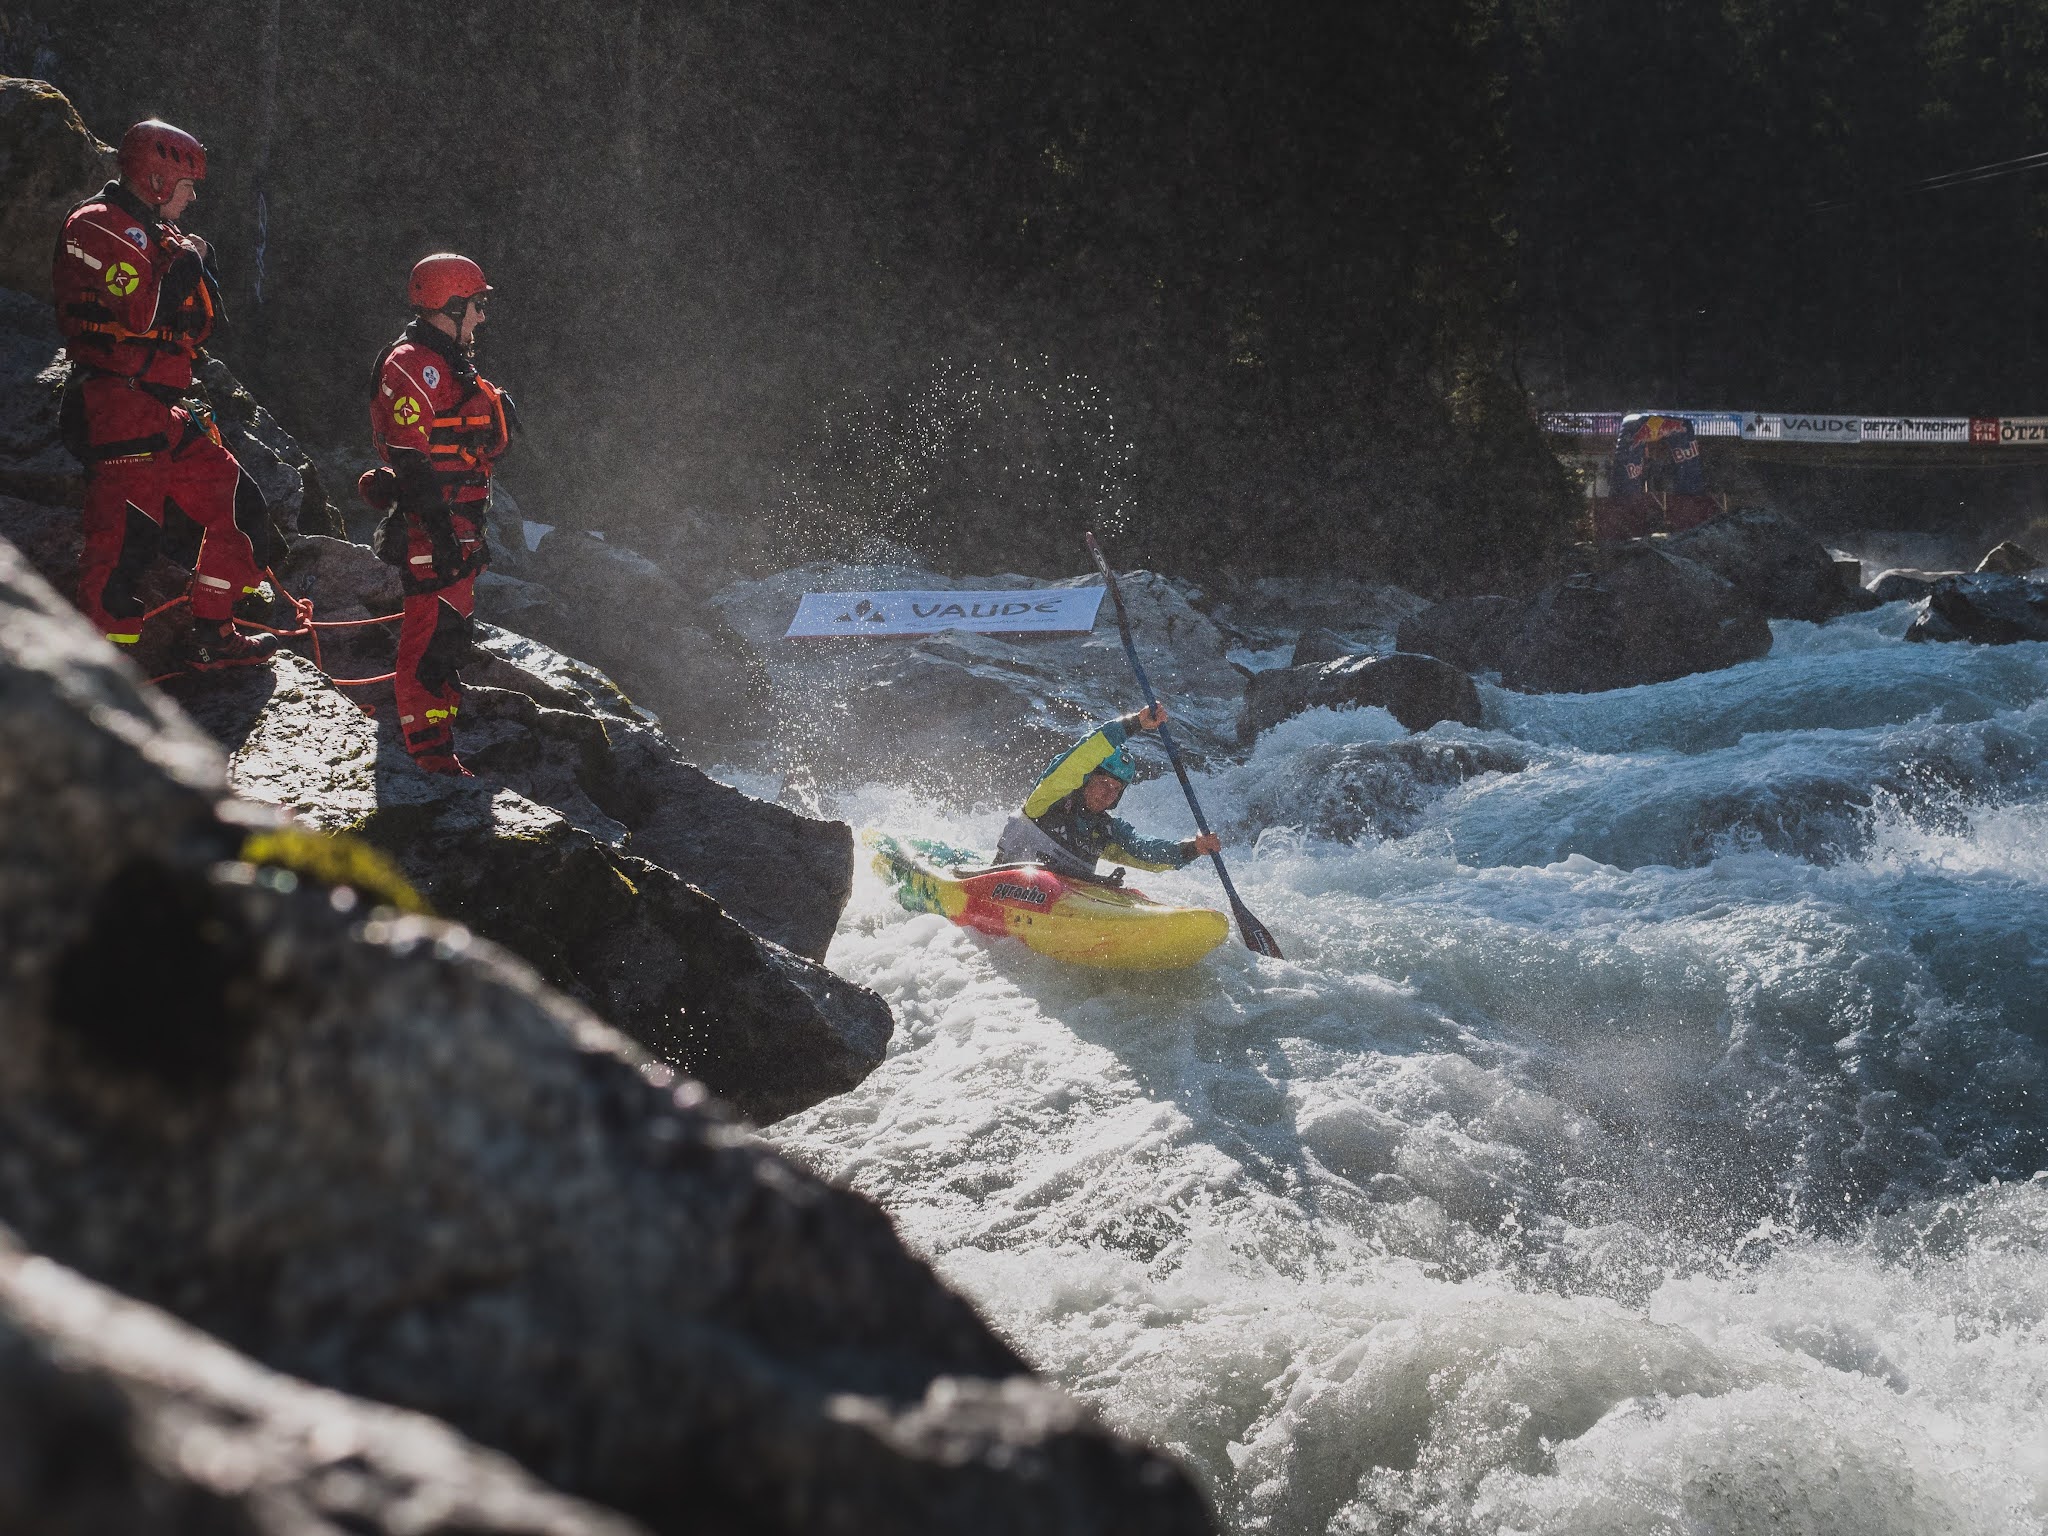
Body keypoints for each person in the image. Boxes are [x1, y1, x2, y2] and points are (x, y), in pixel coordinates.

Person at [51, 118, 277, 664]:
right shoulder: (99, 226)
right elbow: (143, 310)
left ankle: (213, 635)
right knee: (124, 548)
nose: (193, 196)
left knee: (245, 512)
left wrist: (194, 262)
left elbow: (201, 322)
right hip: (115, 405)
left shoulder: (157, 234)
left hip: (161, 408)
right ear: (155, 180)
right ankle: (97, 685)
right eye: (187, 185)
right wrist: (191, 260)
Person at [364, 253, 512, 776]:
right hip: (435, 525)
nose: (481, 317)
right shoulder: (413, 364)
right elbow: (409, 455)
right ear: (449, 306)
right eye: (475, 306)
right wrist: (442, 531)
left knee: (451, 636)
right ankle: (425, 752)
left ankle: (441, 742)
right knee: (428, 637)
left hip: (461, 523)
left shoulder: (450, 362)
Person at [995, 703, 1222, 878]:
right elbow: (1083, 756)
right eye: (1104, 783)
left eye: (1116, 789)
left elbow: (1144, 851)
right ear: (1087, 779)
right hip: (1006, 884)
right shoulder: (1048, 798)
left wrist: (1193, 849)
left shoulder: (1103, 830)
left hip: (1061, 903)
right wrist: (1134, 724)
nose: (1108, 793)